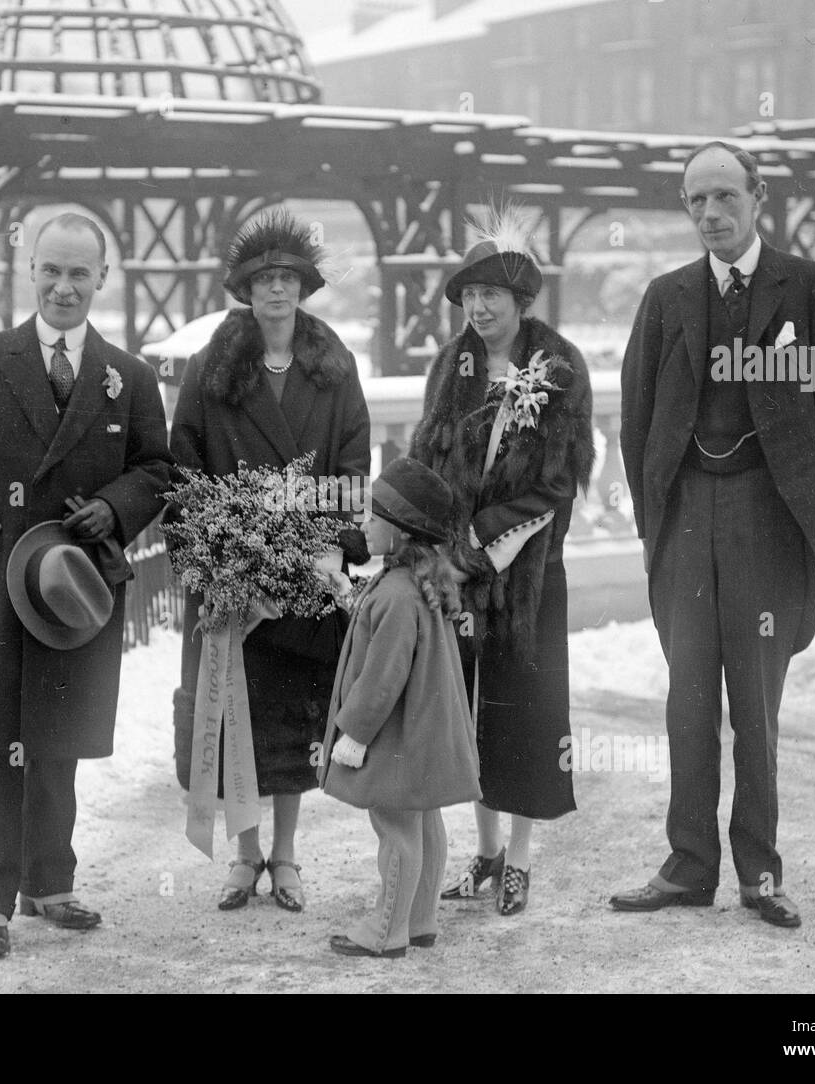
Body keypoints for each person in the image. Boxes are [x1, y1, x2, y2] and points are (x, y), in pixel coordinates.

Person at [0, 212, 174, 958]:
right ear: (30, 272)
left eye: (78, 273)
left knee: (56, 737)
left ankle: (49, 883)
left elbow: (159, 469)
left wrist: (114, 509)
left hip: (74, 585)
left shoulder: (130, 377)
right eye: (50, 270)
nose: (63, 286)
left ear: (101, 280)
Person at [613, 141, 815, 928]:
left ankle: (759, 871)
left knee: (755, 703)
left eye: (725, 196)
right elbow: (637, 418)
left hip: (766, 514)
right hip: (687, 515)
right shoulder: (666, 297)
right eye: (695, 201)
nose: (711, 214)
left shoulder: (806, 286)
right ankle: (688, 866)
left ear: (757, 198)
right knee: (687, 698)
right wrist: (655, 521)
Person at [170, 209, 371, 913]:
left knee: (294, 721)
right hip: (233, 580)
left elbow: (352, 471)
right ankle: (244, 855)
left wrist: (325, 549)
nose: (275, 291)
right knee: (233, 717)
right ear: (247, 289)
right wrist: (219, 557)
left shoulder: (335, 365)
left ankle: (285, 856)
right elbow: (185, 471)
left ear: (303, 287)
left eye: (286, 278)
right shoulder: (212, 369)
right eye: (263, 279)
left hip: (306, 574)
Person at [409, 207, 595, 918]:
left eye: (492, 294)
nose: (478, 307)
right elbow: (427, 460)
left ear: (521, 301)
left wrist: (474, 547)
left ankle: (519, 858)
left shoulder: (558, 368)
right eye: (468, 294)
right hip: (453, 576)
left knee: (522, 707)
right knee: (463, 707)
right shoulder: (450, 366)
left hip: (526, 573)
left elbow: (555, 484)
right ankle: (483, 852)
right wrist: (431, 547)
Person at [319, 457, 481, 958]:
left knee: (395, 828)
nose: (363, 526)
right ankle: (419, 920)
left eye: (373, 518)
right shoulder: (415, 584)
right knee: (424, 823)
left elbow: (382, 679)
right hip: (423, 735)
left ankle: (385, 930)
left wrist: (354, 734)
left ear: (399, 532)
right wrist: (348, 594)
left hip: (394, 738)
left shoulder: (395, 594)